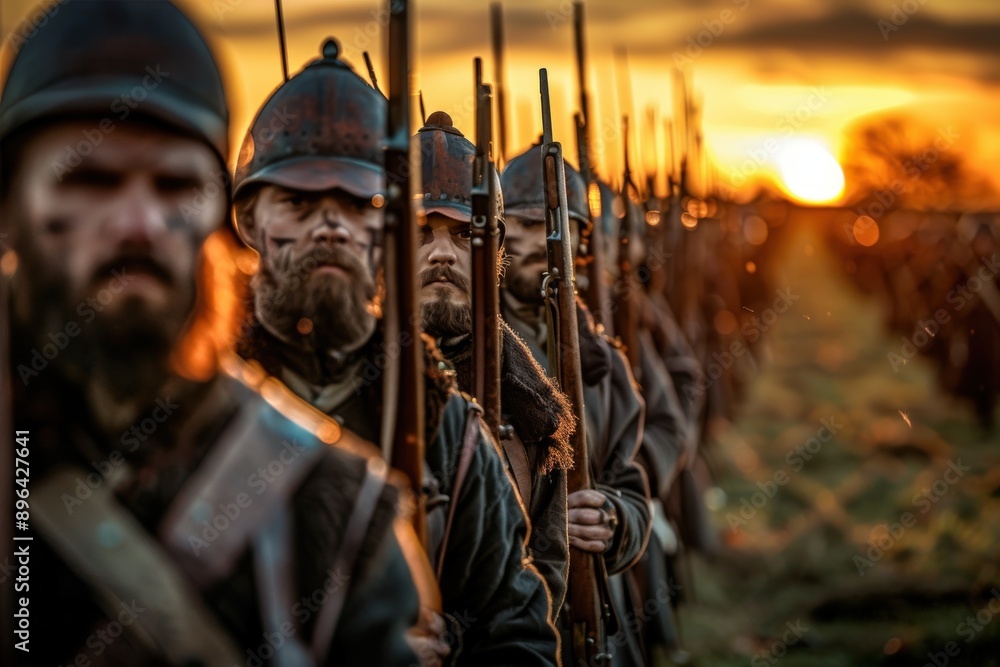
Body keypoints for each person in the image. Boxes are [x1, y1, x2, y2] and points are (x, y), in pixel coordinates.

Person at [1, 2, 420, 664]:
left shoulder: (334, 513)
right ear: (11, 206)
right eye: (90, 179)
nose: (138, 221)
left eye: (174, 186)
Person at [232, 43, 559, 666]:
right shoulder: (186, 407)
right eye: (300, 202)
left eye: (360, 203)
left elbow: (519, 637)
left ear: (386, 229)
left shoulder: (453, 436)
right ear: (251, 221)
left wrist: (448, 650)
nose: (331, 226)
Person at [414, 111, 575, 618]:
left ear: (495, 250)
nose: (443, 253)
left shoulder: (532, 406)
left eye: (465, 234)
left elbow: (542, 583)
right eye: (421, 232)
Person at [500, 144, 652, 664]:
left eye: (555, 225)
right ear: (494, 231)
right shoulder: (463, 348)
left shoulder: (602, 362)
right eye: (521, 223)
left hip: (587, 622)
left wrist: (613, 520)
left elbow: (629, 481)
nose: (540, 239)